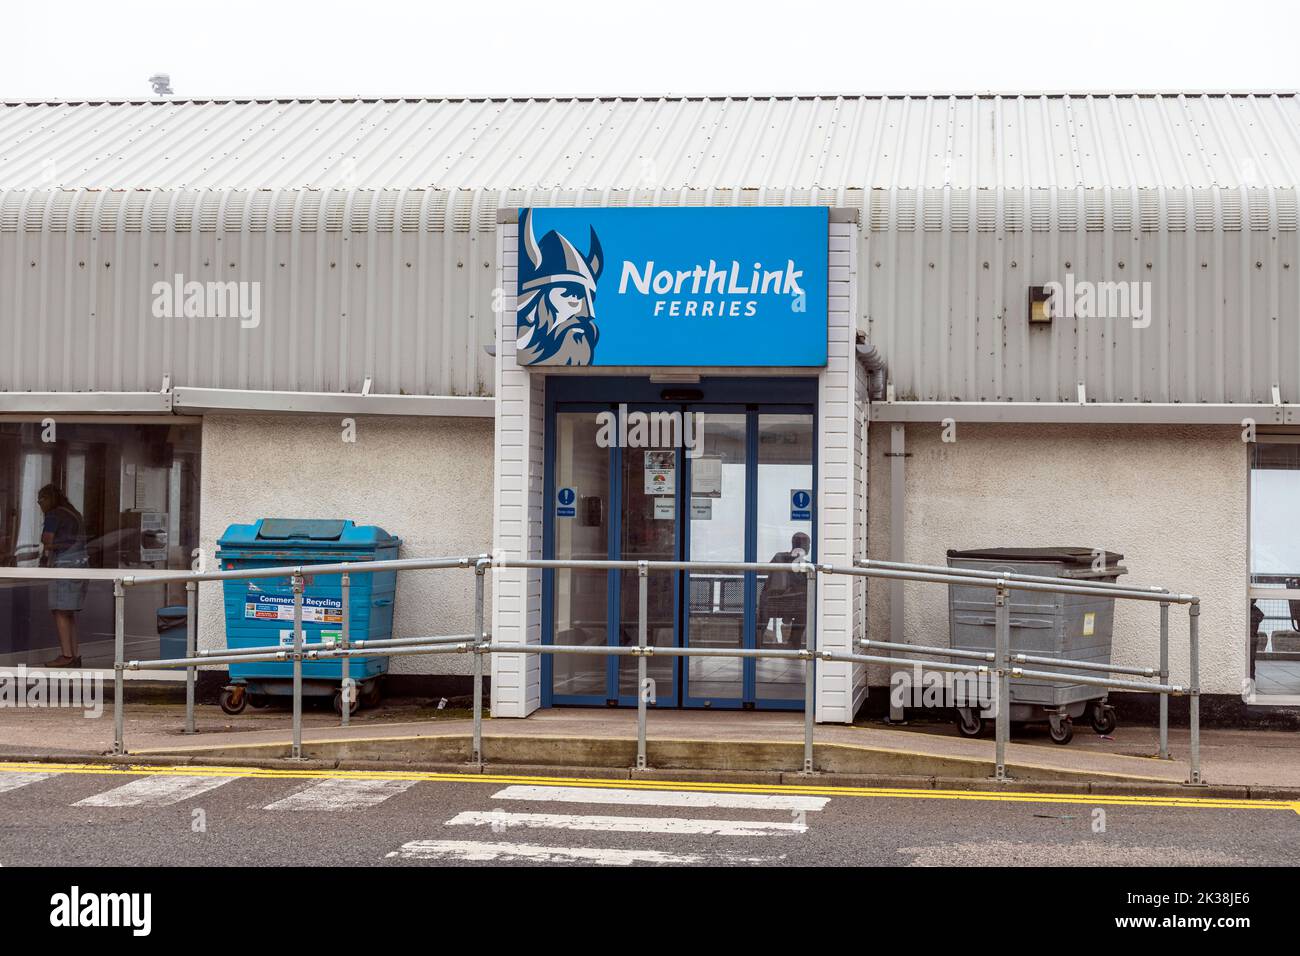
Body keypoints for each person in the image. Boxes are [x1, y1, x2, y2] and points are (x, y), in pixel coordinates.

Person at [37, 484, 88, 667]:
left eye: (40, 501)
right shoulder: (73, 513)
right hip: (80, 565)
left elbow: (47, 540)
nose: (39, 505)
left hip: (64, 566)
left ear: (47, 499)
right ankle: (74, 654)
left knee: (59, 610)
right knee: (68, 613)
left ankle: (66, 656)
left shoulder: (53, 514)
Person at [759, 532, 811, 647]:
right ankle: (794, 643)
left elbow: (768, 575)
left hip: (772, 604)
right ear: (806, 547)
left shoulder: (779, 557)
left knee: (762, 614)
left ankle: (755, 644)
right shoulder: (807, 566)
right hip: (793, 607)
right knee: (803, 613)